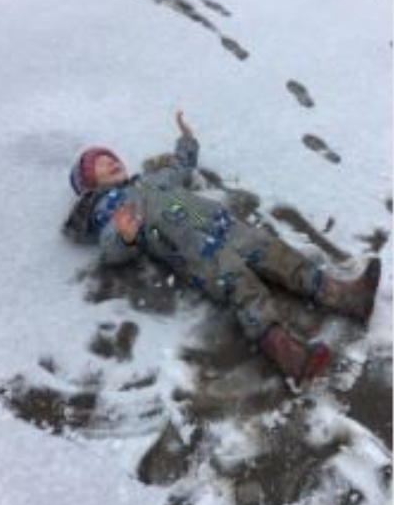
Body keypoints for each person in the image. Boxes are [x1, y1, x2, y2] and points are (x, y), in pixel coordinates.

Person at [64, 112, 382, 385]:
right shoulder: (111, 210)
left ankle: (345, 296)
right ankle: (290, 356)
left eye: (111, 157)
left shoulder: (152, 180)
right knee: (243, 287)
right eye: (100, 164)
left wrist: (187, 140)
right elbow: (111, 251)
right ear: (90, 183)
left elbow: (182, 168)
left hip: (227, 227)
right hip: (195, 252)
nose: (111, 161)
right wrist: (125, 235)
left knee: (277, 253)